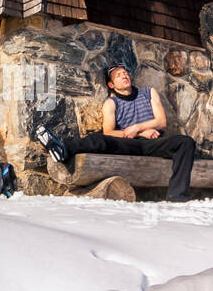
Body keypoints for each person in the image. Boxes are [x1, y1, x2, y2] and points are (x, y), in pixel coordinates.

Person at [36, 63, 196, 202]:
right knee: (98, 139)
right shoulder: (111, 103)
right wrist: (140, 133)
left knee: (185, 142)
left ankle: (177, 197)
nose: (124, 76)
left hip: (153, 143)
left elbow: (161, 122)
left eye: (125, 73)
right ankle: (63, 149)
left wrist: (138, 127)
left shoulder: (148, 93)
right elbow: (109, 132)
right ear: (111, 85)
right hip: (129, 144)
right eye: (118, 76)